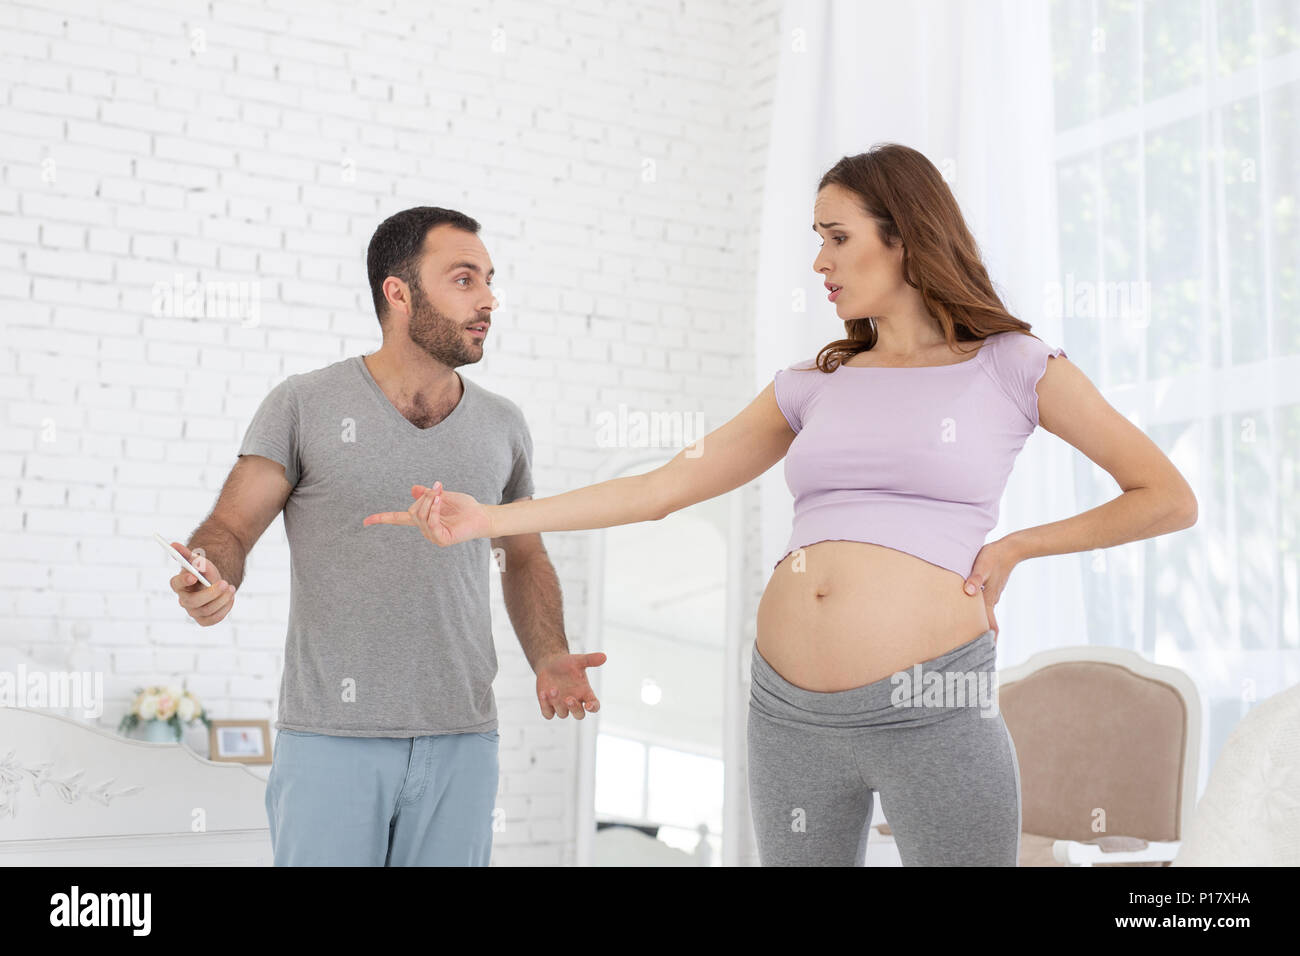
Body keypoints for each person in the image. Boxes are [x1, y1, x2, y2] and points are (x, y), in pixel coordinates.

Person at [363, 144, 1199, 866]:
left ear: (904, 236)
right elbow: (661, 488)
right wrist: (490, 519)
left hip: (932, 704)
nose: (820, 262)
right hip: (787, 712)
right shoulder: (813, 384)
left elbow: (1166, 497)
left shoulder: (1014, 366)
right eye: (817, 241)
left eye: (837, 238)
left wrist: (1018, 546)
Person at [167, 207, 605, 866]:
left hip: (463, 739)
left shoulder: (503, 425)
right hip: (329, 740)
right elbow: (231, 526)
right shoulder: (303, 404)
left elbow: (523, 554)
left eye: (489, 280)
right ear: (397, 293)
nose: (488, 299)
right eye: (464, 279)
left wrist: (549, 655)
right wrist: (210, 571)